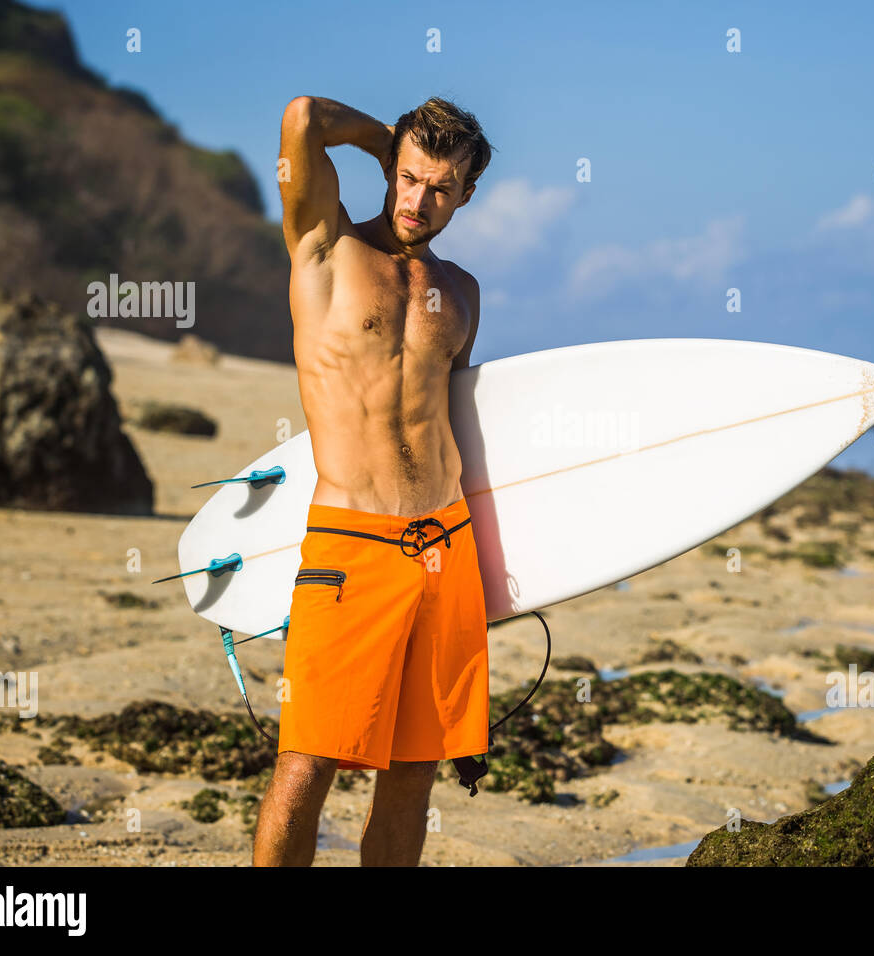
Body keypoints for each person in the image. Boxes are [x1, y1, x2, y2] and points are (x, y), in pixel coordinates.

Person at [252, 95, 493, 866]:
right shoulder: (324, 249)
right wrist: (380, 138)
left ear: (466, 195)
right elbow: (301, 119)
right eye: (411, 178)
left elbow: (460, 432)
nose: (421, 201)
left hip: (444, 550)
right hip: (349, 546)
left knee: (413, 772)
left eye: (443, 188)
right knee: (309, 757)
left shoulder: (462, 293)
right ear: (392, 169)